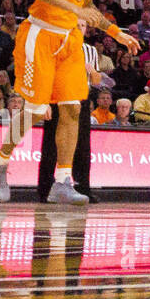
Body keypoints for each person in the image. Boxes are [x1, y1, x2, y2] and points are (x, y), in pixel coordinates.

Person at [0, 0, 140, 205]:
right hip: (40, 34)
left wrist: (115, 32)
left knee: (72, 110)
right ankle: (0, 162)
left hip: (70, 40)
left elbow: (86, 6)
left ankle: (62, 181)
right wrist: (75, 9)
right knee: (34, 109)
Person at [37, 21, 105, 202]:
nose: (79, 28)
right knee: (51, 146)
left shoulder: (90, 51)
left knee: (83, 146)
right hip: (57, 98)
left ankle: (83, 187)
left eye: (82, 25)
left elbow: (98, 81)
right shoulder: (57, 46)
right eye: (75, 24)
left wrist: (91, 73)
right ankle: (45, 189)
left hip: (81, 100)